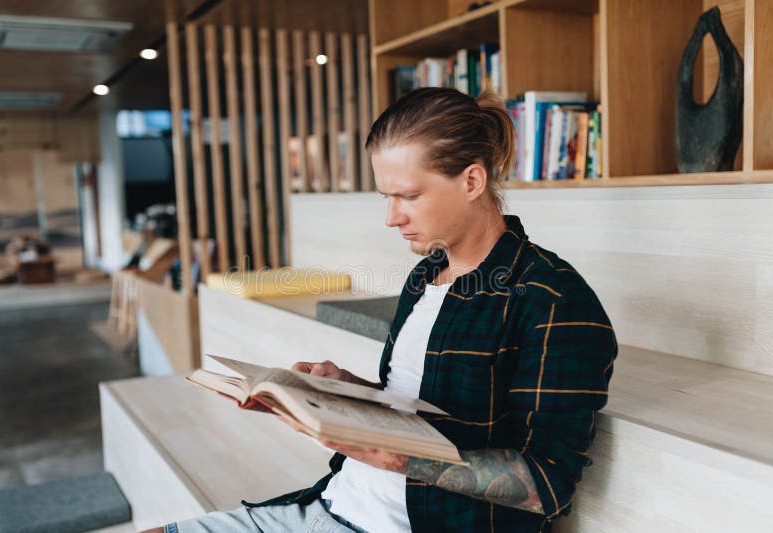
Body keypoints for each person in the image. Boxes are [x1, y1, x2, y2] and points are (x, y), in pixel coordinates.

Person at [149, 87, 617, 533]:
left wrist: (396, 458)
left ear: (472, 180)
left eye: (409, 196)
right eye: (386, 197)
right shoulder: (425, 275)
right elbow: (420, 405)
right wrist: (347, 392)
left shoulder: (553, 300)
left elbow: (548, 483)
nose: (391, 217)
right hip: (326, 503)